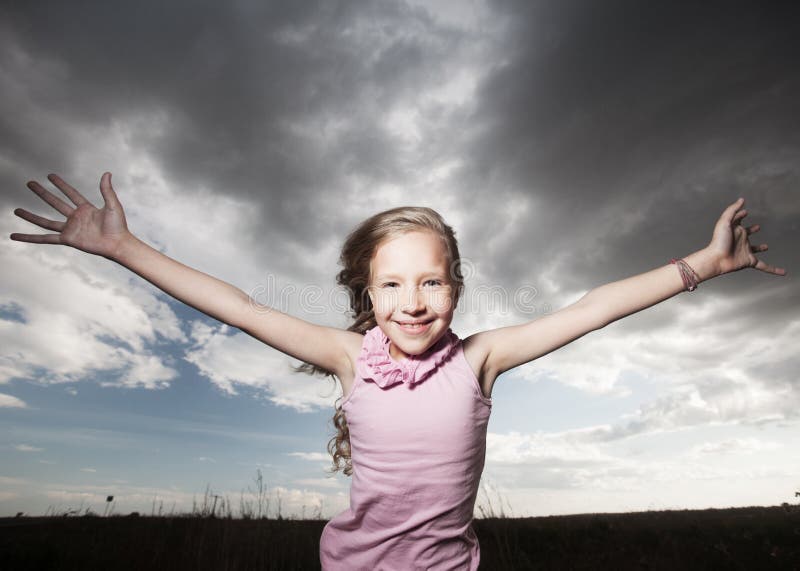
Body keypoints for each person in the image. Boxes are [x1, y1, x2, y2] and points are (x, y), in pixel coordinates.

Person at [10, 172, 786, 570]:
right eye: (391, 284)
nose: (413, 303)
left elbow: (590, 307)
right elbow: (240, 307)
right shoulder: (351, 358)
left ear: (457, 287)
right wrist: (122, 248)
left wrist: (703, 266)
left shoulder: (480, 359)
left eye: (432, 282)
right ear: (365, 291)